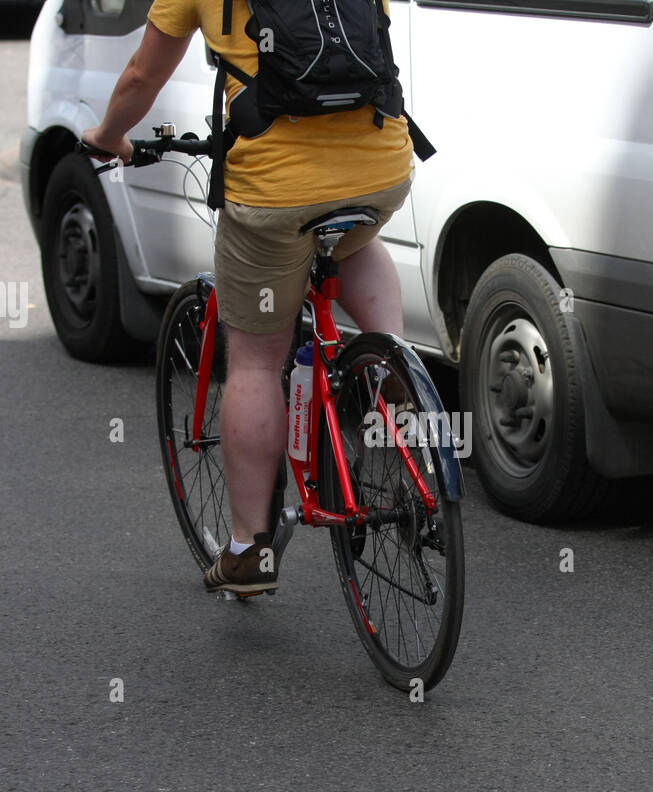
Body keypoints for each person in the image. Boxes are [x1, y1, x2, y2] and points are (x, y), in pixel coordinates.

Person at [82, 0, 415, 597]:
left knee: (258, 361)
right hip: (381, 167)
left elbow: (141, 76)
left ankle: (247, 548)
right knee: (359, 241)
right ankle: (395, 371)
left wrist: (109, 137)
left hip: (276, 189)